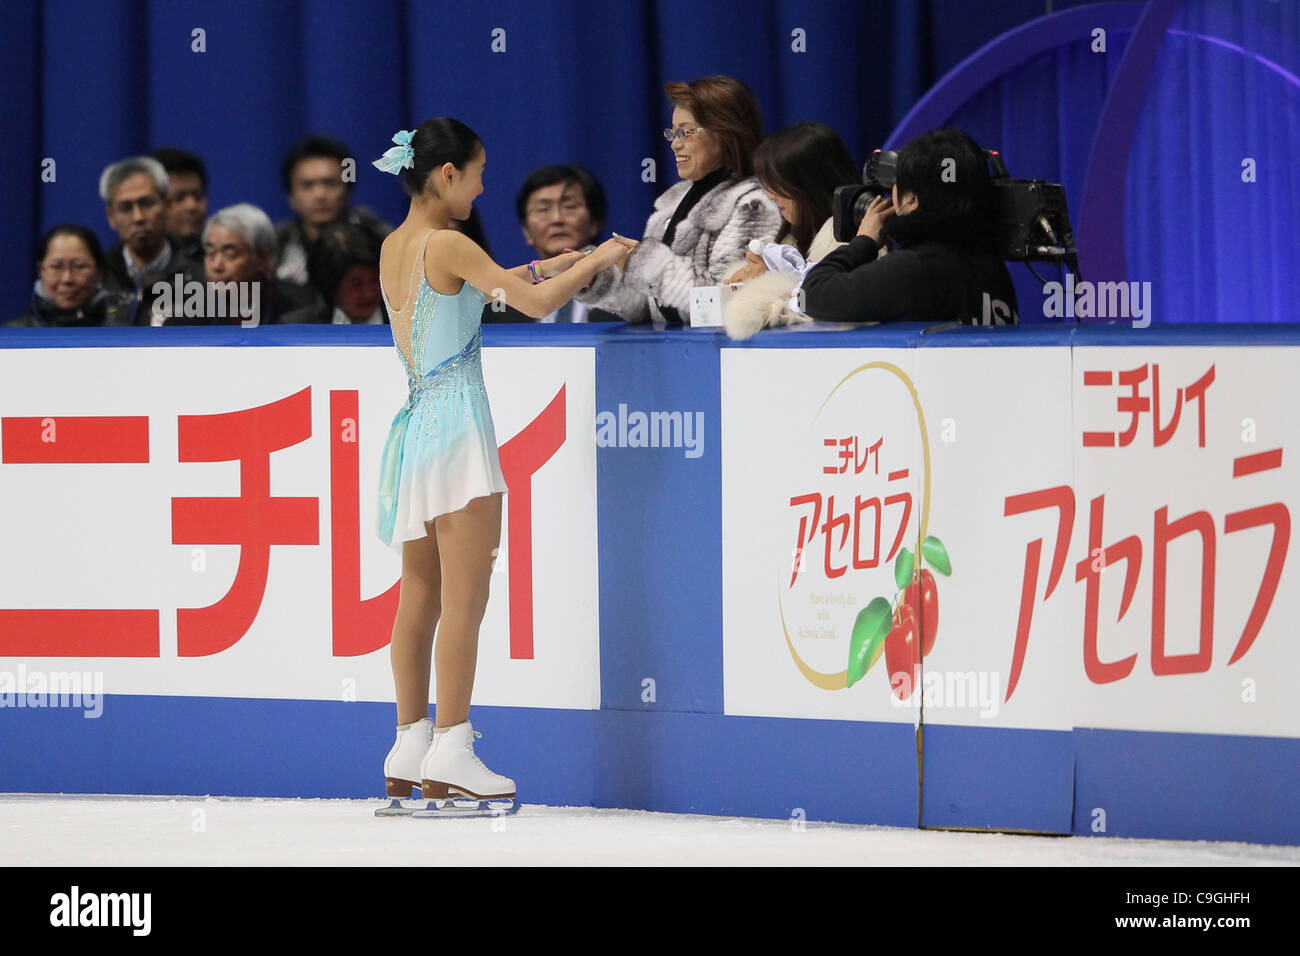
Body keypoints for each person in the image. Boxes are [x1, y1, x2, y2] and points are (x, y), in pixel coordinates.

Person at [371, 119, 631, 807]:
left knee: (419, 594)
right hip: (458, 425)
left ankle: (410, 739)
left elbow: (495, 286)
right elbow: (538, 305)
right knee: (466, 596)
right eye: (479, 172)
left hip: (419, 420)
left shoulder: (397, 244)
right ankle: (454, 746)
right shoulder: (451, 241)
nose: (485, 186)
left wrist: (561, 259)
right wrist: (600, 262)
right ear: (448, 174)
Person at [577, 74, 780, 326]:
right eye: (673, 132)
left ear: (724, 131)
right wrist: (597, 278)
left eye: (685, 132)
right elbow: (650, 308)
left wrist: (643, 261)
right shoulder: (674, 202)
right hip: (672, 353)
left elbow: (724, 303)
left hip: (719, 358)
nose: (675, 144)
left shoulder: (754, 205)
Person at [802, 127, 1019, 325]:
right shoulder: (992, 267)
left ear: (912, 200)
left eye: (896, 185)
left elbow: (812, 294)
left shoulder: (914, 269)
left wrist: (864, 241)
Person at [720, 122, 859, 339]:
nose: (771, 196)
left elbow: (829, 308)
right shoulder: (790, 242)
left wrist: (767, 287)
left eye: (777, 184)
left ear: (808, 183)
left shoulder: (853, 245)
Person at [488, 165, 619, 323]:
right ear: (526, 231)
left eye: (570, 207)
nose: (556, 218)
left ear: (595, 222)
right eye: (543, 209)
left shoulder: (628, 295)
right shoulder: (502, 301)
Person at [99, 156, 204, 325]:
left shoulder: (201, 280)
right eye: (126, 208)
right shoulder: (96, 280)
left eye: (147, 204)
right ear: (110, 217)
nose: (138, 217)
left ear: (166, 205)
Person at [275, 135, 391, 287]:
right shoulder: (277, 248)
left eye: (330, 183)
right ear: (291, 196)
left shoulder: (382, 242)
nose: (320, 195)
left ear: (348, 190)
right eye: (307, 185)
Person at [6, 225, 133, 327]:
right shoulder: (12, 336)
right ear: (41, 270)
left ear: (99, 272)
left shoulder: (123, 332)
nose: (67, 279)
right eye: (56, 266)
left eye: (79, 266)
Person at [150, 147, 209, 263]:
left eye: (198, 196)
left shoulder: (220, 266)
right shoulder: (120, 268)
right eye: (179, 198)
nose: (192, 206)